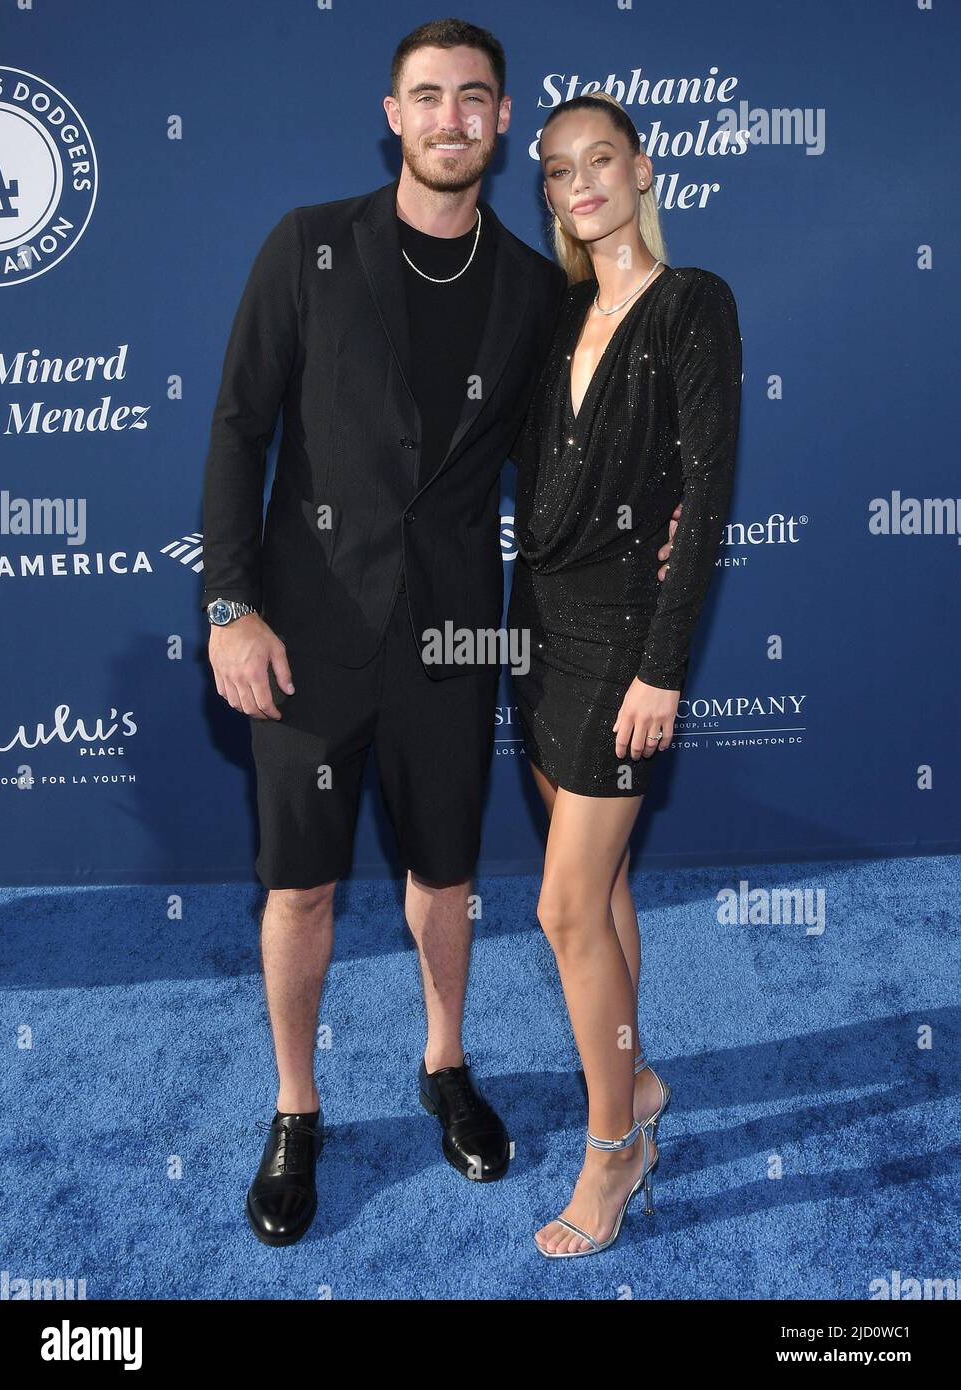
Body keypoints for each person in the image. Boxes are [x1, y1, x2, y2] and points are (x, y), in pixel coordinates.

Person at [201, 19, 685, 1247]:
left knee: (447, 881)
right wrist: (228, 603)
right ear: (394, 113)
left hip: (459, 644)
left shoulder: (532, 289)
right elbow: (236, 430)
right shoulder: (307, 247)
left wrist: (667, 522)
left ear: (504, 121)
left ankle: (445, 1062)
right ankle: (298, 1107)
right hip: (303, 640)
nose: (451, 118)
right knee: (301, 890)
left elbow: (575, 452)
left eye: (475, 99)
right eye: (430, 97)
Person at [506, 91, 742, 1257]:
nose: (580, 181)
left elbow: (703, 505)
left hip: (622, 647)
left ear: (642, 170)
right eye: (557, 169)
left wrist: (663, 670)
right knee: (598, 894)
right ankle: (635, 1077)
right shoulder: (550, 316)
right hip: (536, 630)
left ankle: (614, 1152)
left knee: (560, 908)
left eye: (601, 160)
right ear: (544, 190)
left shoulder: (692, 305)